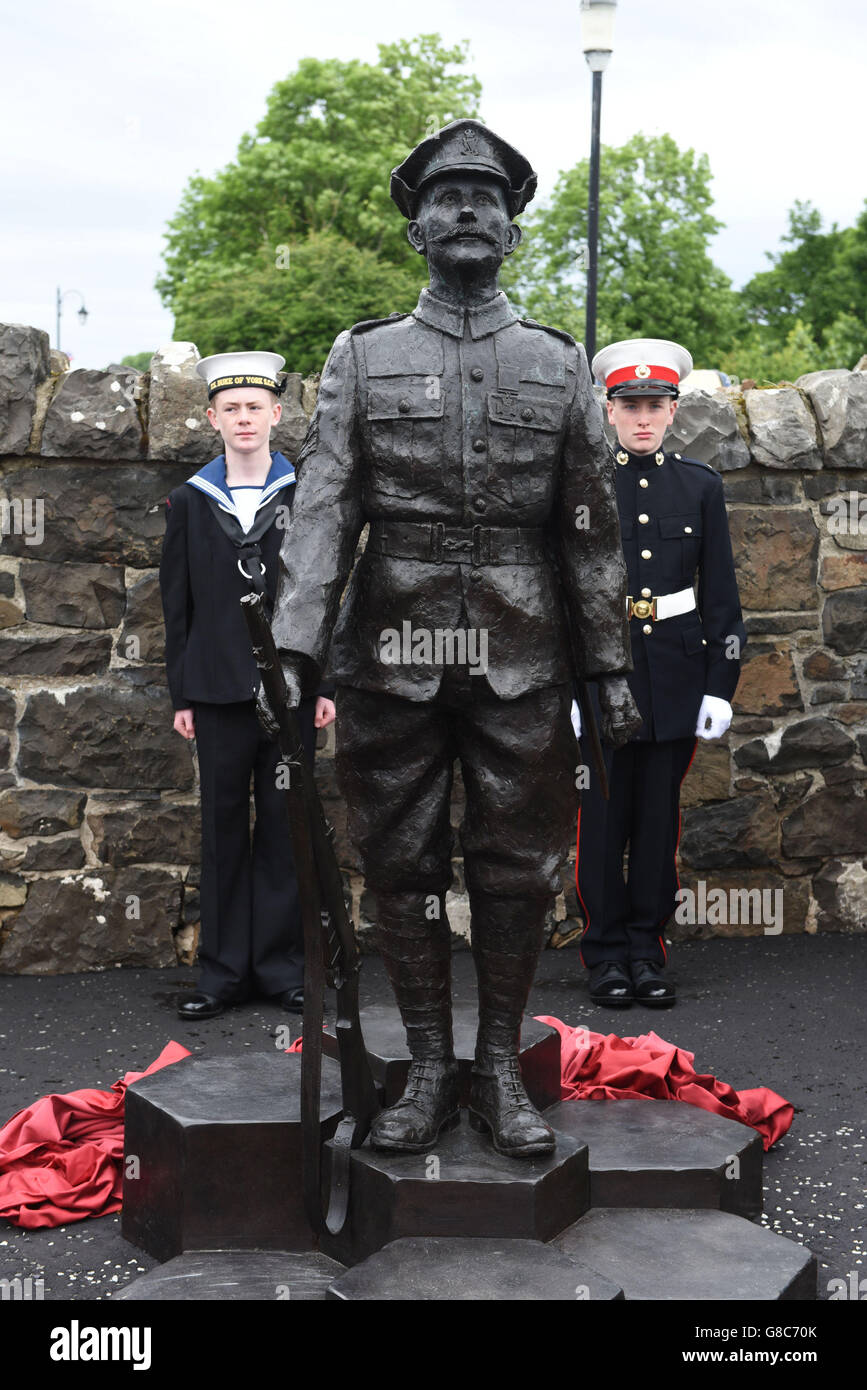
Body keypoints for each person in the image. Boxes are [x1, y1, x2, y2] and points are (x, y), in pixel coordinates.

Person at [262, 120, 641, 1158]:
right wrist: (295, 651)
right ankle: (427, 1063)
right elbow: (326, 509)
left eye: (487, 195)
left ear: (514, 228)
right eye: (447, 194)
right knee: (399, 858)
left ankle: (497, 1066)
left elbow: (589, 528)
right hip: (393, 646)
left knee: (516, 865)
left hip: (522, 651)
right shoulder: (363, 354)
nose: (468, 207)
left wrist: (608, 664)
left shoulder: (557, 365)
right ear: (418, 225)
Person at [159, 351, 336, 1021]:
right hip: (215, 694)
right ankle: (223, 973)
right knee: (223, 831)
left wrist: (326, 684)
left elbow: (325, 597)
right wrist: (182, 695)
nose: (243, 418)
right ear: (212, 417)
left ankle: (283, 969)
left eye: (254, 407)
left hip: (292, 693)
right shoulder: (187, 500)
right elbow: (177, 607)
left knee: (286, 835)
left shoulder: (306, 495)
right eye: (230, 408)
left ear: (275, 415)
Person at [575, 338, 746, 1008]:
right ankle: (603, 954)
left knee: (656, 824)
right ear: (608, 412)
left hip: (675, 673)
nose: (642, 417)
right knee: (602, 822)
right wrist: (569, 688)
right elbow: (565, 594)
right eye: (629, 406)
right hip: (602, 675)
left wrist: (718, 685)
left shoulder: (699, 487)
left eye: (654, 405)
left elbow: (723, 596)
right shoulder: (584, 486)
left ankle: (647, 951)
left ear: (673, 411)